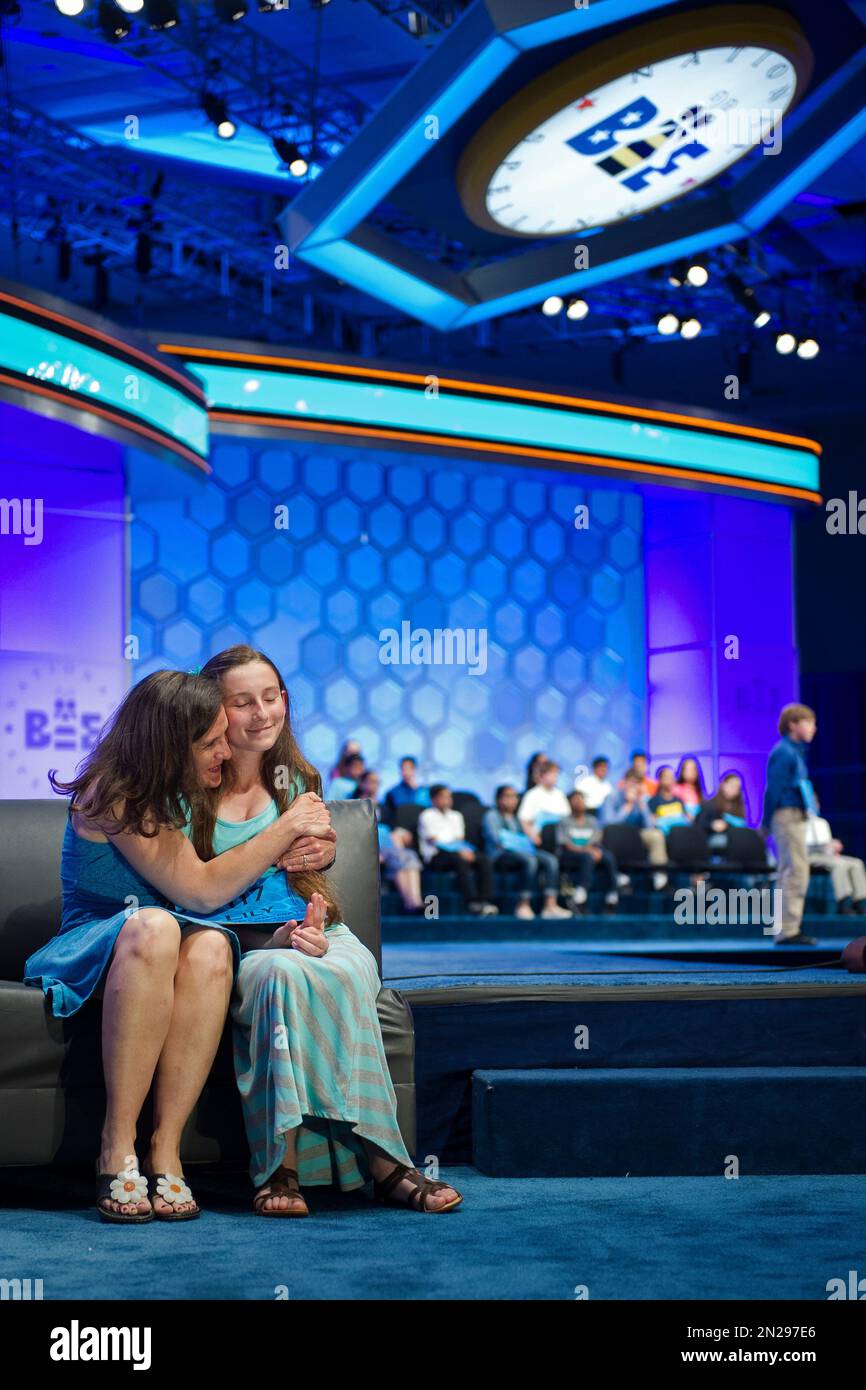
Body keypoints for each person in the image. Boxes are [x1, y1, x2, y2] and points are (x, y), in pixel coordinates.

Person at [24, 671, 323, 1223]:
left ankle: (166, 1148)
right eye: (210, 743)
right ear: (169, 744)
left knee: (211, 946)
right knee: (157, 926)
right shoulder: (115, 792)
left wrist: (315, 851)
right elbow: (201, 890)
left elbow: (222, 890)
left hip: (168, 933)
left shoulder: (188, 788)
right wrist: (287, 828)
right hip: (99, 937)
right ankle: (117, 1143)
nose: (225, 751)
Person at [196, 647, 462, 1214]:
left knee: (344, 969)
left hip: (317, 929)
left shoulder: (297, 779)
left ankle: (388, 1162)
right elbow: (193, 893)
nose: (262, 714)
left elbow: (308, 868)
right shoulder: (190, 784)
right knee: (279, 975)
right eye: (242, 702)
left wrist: (322, 858)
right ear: (212, 710)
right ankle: (280, 1166)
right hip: (236, 944)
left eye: (271, 697)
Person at [761, 702, 818, 946]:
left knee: (792, 870)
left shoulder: (794, 751)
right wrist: (765, 823)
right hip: (786, 815)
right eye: (809, 722)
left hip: (795, 814)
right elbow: (773, 790)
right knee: (794, 871)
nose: (814, 728)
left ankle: (786, 928)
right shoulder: (784, 752)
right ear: (793, 725)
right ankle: (787, 930)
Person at [481, 784, 570, 919]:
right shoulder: (491, 816)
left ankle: (550, 905)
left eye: (514, 797)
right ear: (498, 799)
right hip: (500, 854)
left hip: (522, 851)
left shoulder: (516, 818)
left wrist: (530, 837)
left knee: (550, 860)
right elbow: (498, 841)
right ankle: (523, 905)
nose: (512, 800)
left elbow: (524, 838)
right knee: (530, 860)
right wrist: (517, 843)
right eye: (508, 797)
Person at [418, 784, 498, 916]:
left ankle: (486, 900)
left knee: (484, 860)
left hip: (458, 849)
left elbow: (459, 839)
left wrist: (466, 851)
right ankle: (471, 901)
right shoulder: (427, 815)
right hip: (436, 855)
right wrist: (458, 851)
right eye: (443, 797)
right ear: (434, 799)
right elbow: (434, 841)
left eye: (449, 797)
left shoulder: (456, 816)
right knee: (459, 859)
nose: (447, 800)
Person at [356, 769, 425, 915]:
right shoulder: (352, 805)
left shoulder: (384, 806)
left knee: (409, 855)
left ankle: (415, 901)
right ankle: (410, 903)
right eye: (371, 781)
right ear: (362, 783)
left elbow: (392, 828)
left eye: (377, 782)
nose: (374, 785)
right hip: (367, 846)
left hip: (387, 845)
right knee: (398, 858)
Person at [600, 770, 668, 890]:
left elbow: (649, 826)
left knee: (656, 835)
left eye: (637, 784)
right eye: (632, 782)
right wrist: (628, 806)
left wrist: (642, 805)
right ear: (624, 782)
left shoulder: (640, 800)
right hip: (614, 836)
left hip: (634, 836)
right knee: (613, 834)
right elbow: (608, 824)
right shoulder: (612, 797)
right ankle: (618, 873)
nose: (634, 786)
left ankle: (659, 873)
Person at [556, 790, 620, 913]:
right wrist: (587, 850)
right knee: (587, 856)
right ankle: (581, 895)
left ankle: (612, 893)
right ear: (569, 803)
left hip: (590, 851)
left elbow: (596, 840)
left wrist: (593, 850)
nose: (579, 802)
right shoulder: (564, 821)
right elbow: (566, 845)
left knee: (608, 856)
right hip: (570, 854)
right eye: (575, 800)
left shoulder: (592, 821)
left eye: (581, 799)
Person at [805, 814, 866, 916]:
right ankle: (844, 903)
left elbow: (826, 842)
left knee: (857, 863)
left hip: (825, 855)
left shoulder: (821, 822)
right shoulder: (798, 824)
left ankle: (860, 902)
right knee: (839, 864)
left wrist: (833, 847)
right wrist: (826, 845)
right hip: (807, 856)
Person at [517, 758, 571, 840]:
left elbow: (567, 816)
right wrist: (533, 837)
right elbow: (524, 820)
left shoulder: (560, 794)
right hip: (541, 837)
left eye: (556, 774)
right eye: (552, 774)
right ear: (541, 775)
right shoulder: (532, 795)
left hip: (560, 836)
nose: (555, 777)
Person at [697, 773, 749, 851]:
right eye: (732, 786)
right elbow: (699, 823)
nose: (734, 790)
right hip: (715, 841)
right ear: (723, 785)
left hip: (737, 841)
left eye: (737, 788)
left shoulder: (739, 808)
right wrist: (712, 825)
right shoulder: (711, 804)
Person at [382, 755, 430, 824]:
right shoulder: (392, 793)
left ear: (414, 769)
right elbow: (388, 815)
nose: (405, 772)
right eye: (403, 769)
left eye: (408, 768)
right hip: (401, 827)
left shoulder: (425, 792)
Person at [648, 766, 690, 832]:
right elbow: (652, 821)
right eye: (666, 777)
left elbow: (686, 818)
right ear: (660, 780)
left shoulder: (679, 800)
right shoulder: (653, 801)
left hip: (680, 833)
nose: (670, 780)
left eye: (672, 777)